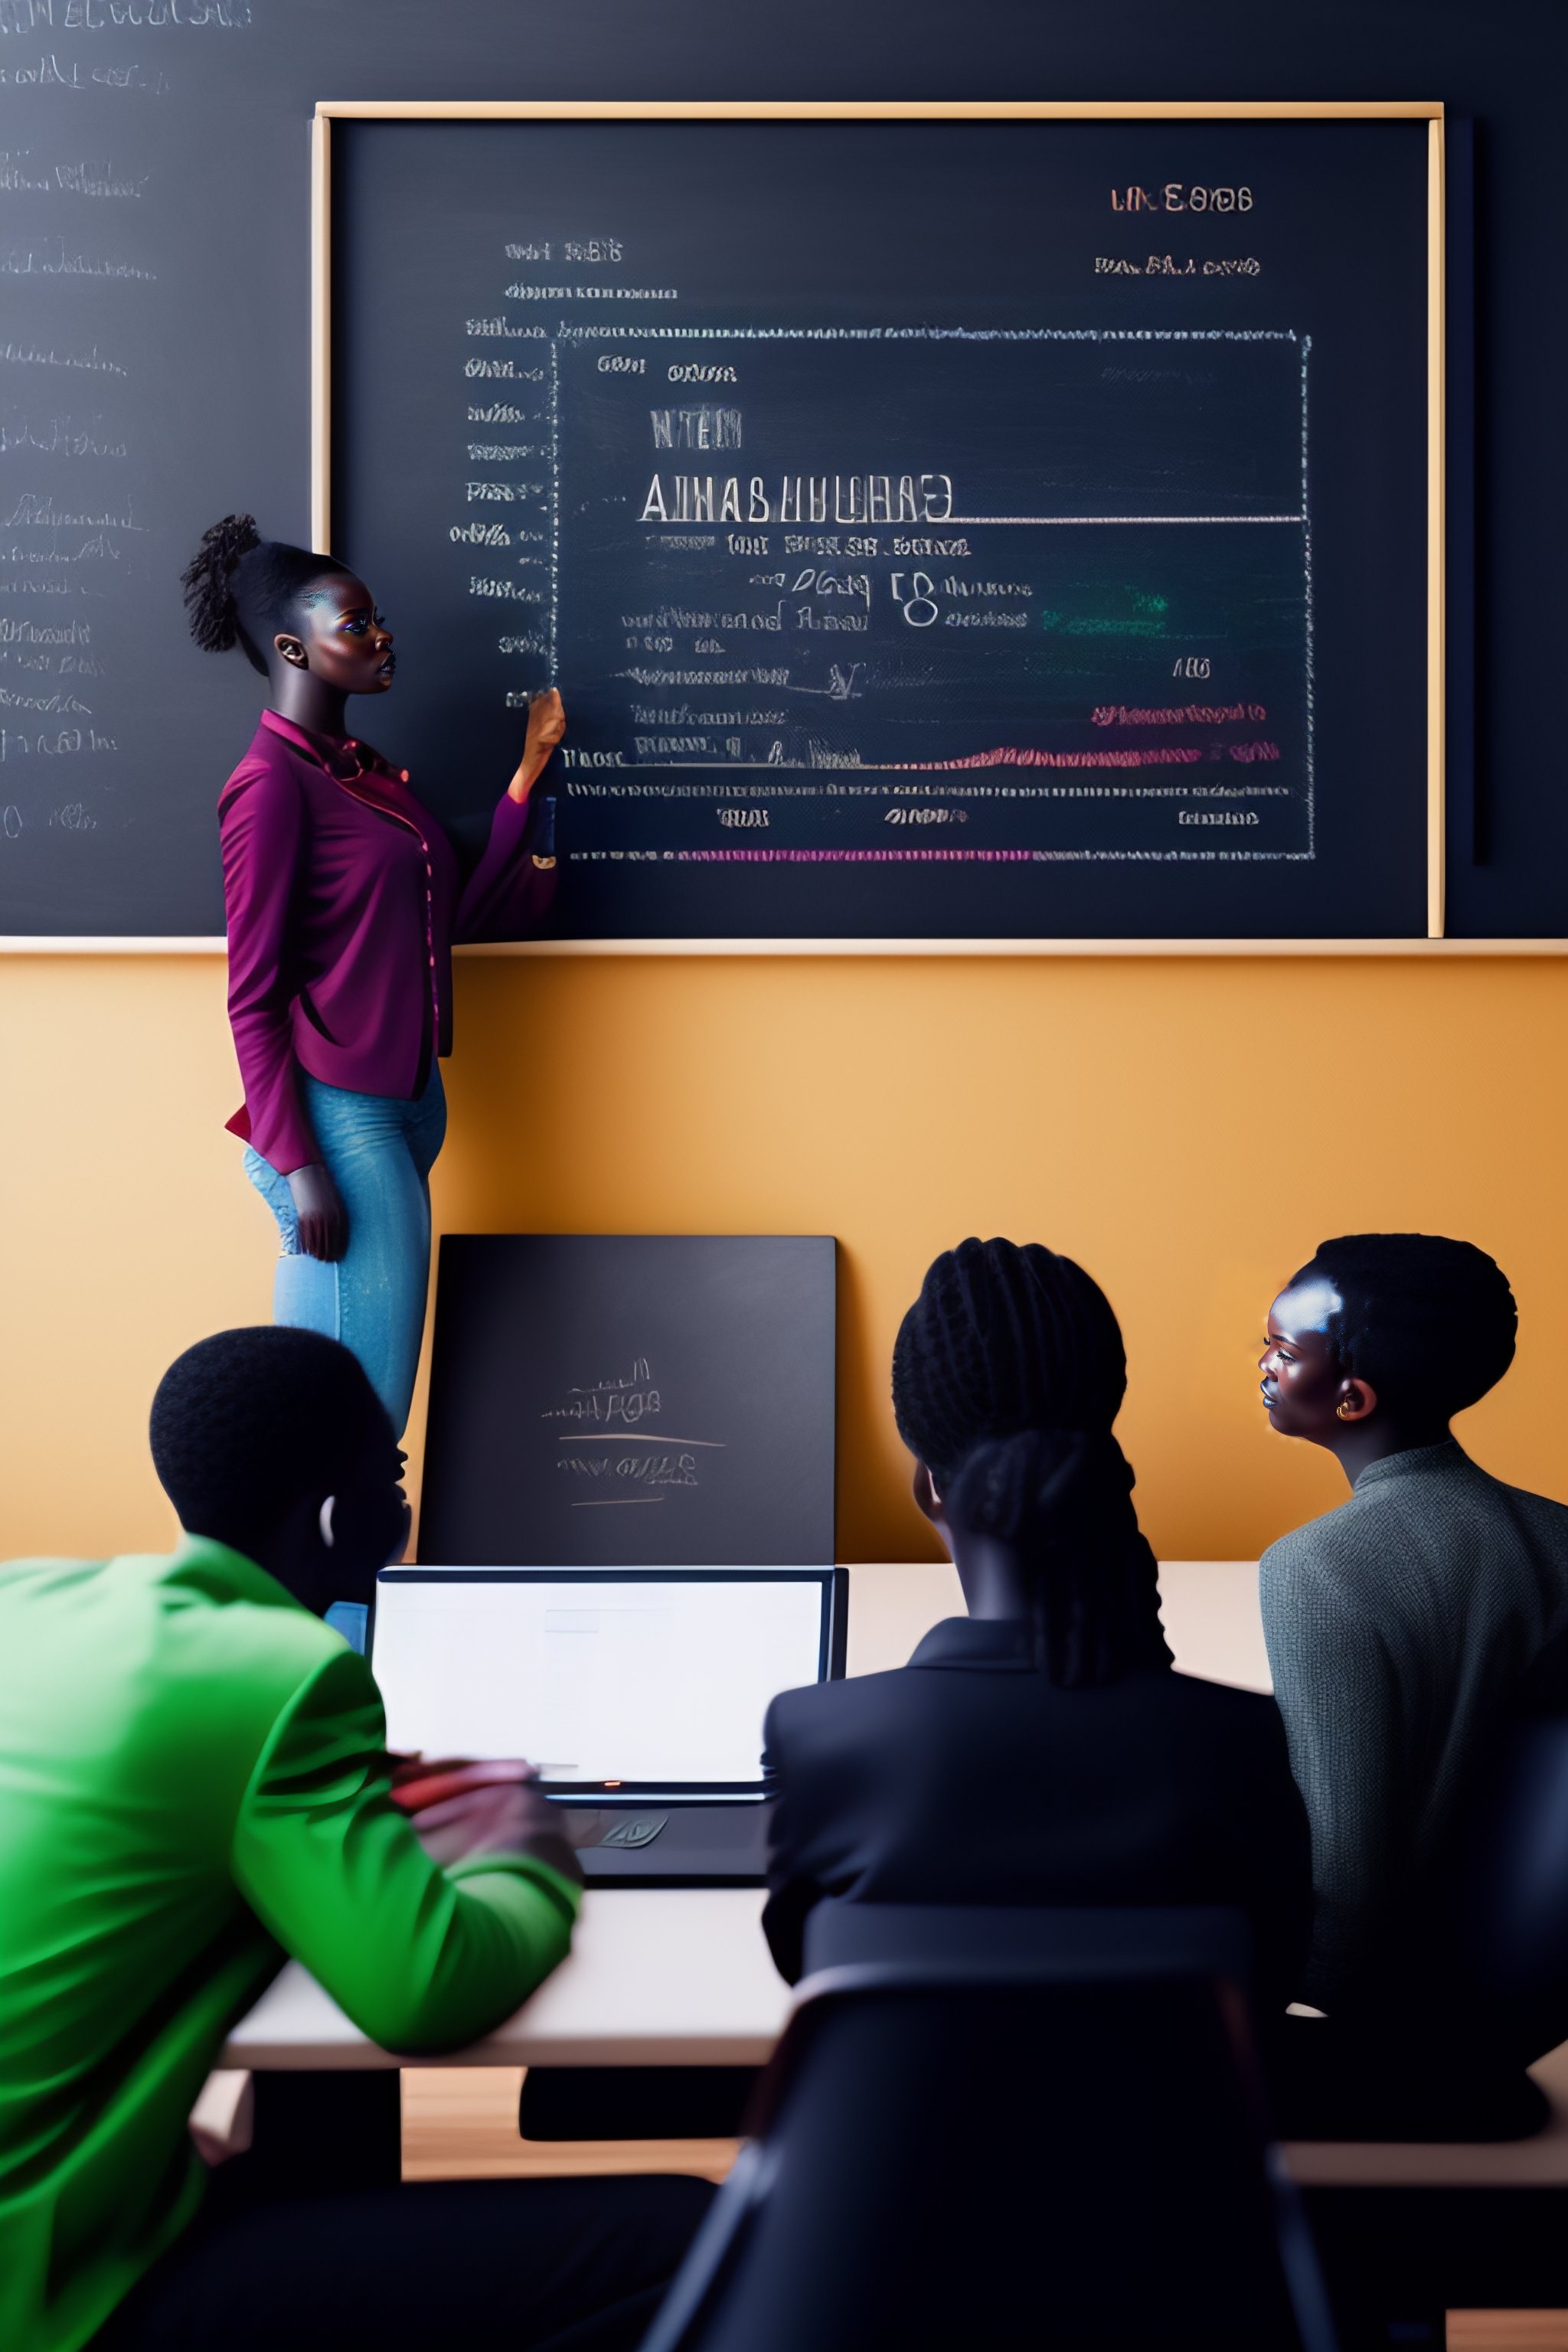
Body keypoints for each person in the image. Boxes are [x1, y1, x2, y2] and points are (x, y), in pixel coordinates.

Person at [0, 1326, 711, 2352]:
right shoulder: (290, 1671)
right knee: (682, 2236)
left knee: (315, 2131)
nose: (403, 1502)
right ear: (338, 1518)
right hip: (45, 2296)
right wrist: (528, 1845)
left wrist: (342, 1800)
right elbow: (427, 1993)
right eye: (394, 1473)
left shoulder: (31, 1598)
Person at [763, 1236, 1312, 2027]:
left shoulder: (814, 1734)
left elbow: (807, 1976)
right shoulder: (1243, 1738)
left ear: (927, 1489)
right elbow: (1266, 1985)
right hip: (1171, 2149)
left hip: (901, 2148)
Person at [181, 515, 565, 1436]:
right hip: (337, 1118)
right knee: (362, 1427)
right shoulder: (271, 786)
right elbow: (252, 992)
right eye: (355, 624)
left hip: (408, 1101)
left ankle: (317, 1582)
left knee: (338, 1408)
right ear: (292, 648)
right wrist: (297, 1160)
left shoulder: (364, 777)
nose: (382, 635)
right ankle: (329, 1587)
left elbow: (438, 918)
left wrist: (528, 777)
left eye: (376, 618)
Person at [1258, 1233, 1568, 2127]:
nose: (1265, 1368)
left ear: (1351, 1397)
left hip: (1389, 2039)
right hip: (1522, 2009)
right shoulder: (1557, 1538)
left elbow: (1339, 1898)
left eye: (1283, 1351)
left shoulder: (1314, 1570)